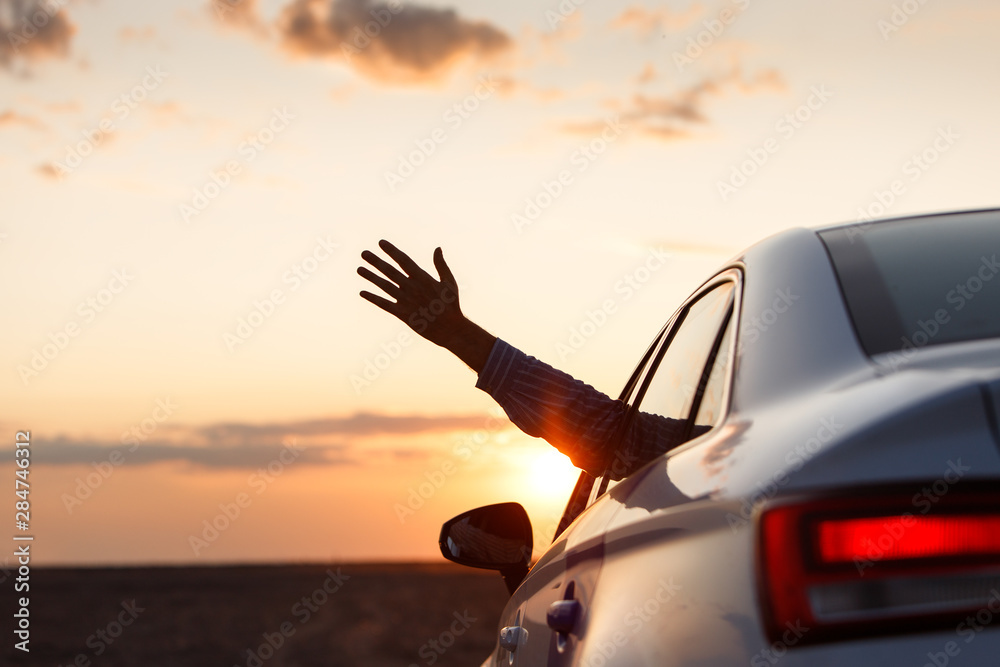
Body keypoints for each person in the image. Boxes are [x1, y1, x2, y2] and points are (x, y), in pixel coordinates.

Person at [357, 240, 693, 480]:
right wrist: (458, 334)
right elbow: (618, 438)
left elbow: (613, 438)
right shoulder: (705, 453)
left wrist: (460, 335)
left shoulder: (705, 455)